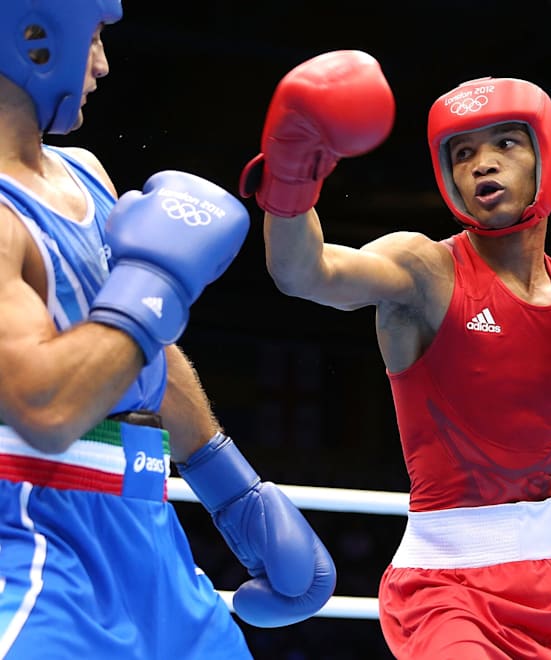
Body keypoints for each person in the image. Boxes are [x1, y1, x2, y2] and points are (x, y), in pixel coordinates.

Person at [243, 49, 551, 659]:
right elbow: (304, 271)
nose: (482, 163)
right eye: (462, 153)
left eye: (507, 143)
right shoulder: (425, 270)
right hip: (449, 591)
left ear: (550, 154)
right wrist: (292, 166)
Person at [0, 2, 336, 657]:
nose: (101, 64)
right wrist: (157, 283)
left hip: (153, 542)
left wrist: (234, 491)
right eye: (94, 39)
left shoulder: (85, 176)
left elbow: (140, 349)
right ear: (35, 38)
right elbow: (43, 404)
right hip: (41, 550)